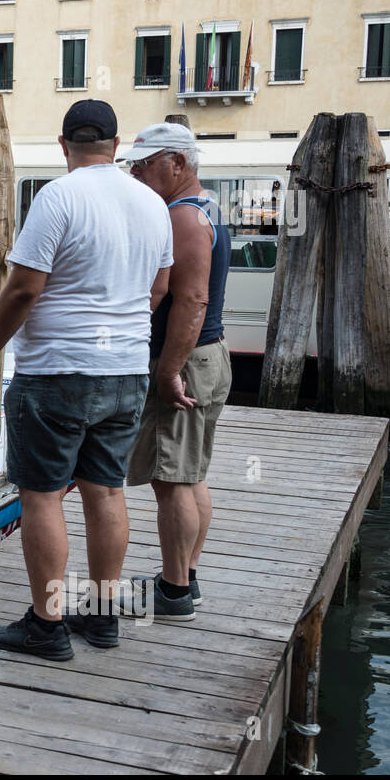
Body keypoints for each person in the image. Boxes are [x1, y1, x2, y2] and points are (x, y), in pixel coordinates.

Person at [0, 101, 173, 660]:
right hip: (127, 372)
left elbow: (22, 290)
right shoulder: (153, 204)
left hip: (57, 372)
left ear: (65, 145)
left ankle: (47, 624)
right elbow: (157, 291)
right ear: (116, 144)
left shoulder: (57, 197)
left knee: (41, 498)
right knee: (106, 491)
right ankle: (103, 617)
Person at [120, 122, 232, 623]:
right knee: (192, 475)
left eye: (145, 165)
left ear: (178, 164)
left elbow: (192, 299)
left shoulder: (183, 218)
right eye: (133, 166)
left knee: (172, 481)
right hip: (209, 355)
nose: (137, 173)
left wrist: (168, 371)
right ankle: (186, 576)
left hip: (186, 358)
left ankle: (173, 593)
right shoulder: (205, 210)